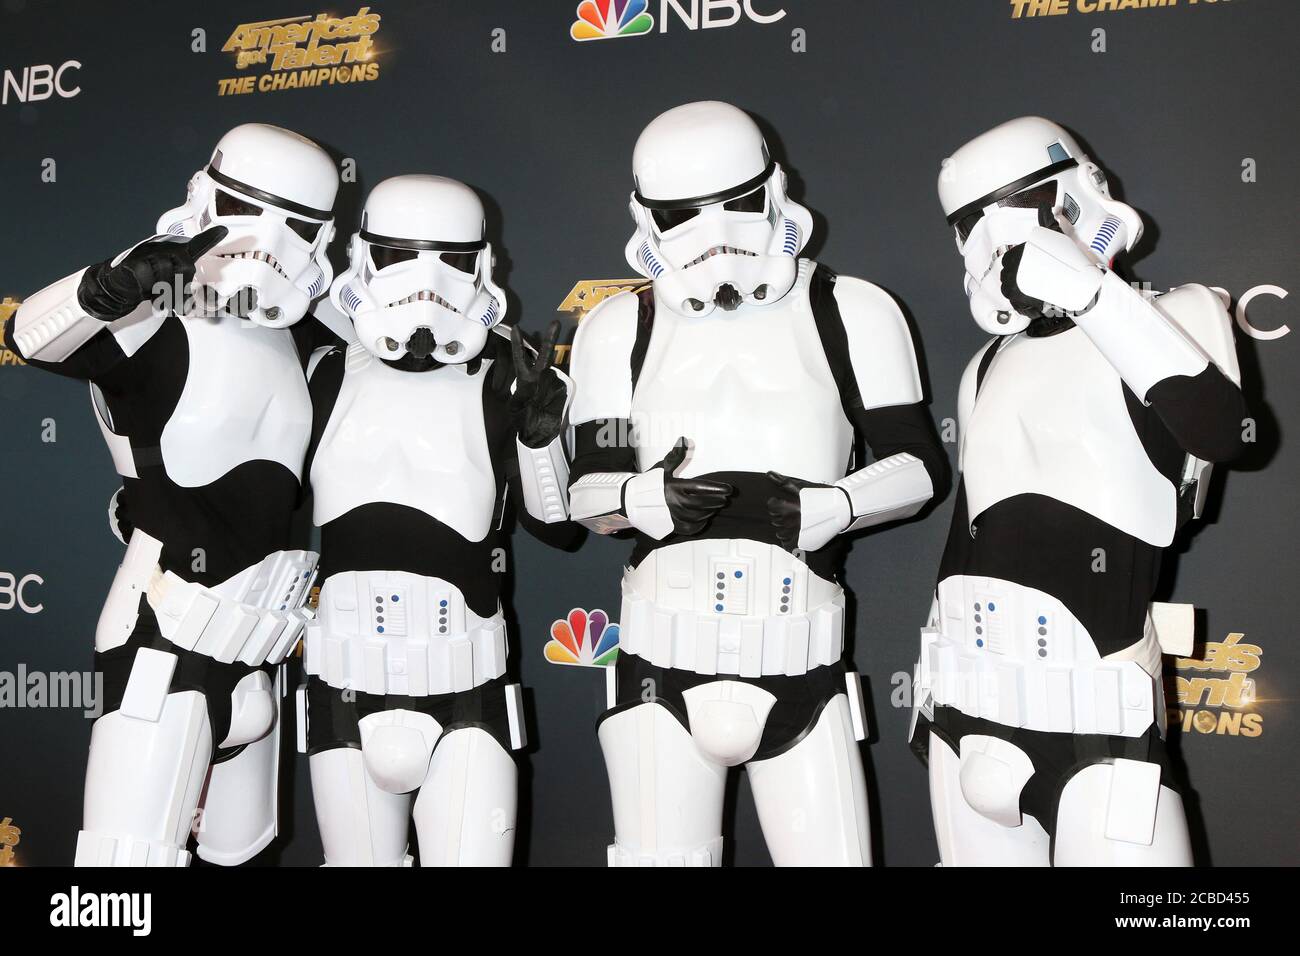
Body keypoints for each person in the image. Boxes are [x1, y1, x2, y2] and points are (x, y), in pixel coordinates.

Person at [567, 101, 947, 866]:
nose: (716, 238)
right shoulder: (618, 329)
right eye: (683, 215)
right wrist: (642, 499)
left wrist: (838, 505)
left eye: (737, 205)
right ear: (647, 218)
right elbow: (587, 490)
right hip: (656, 668)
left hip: (800, 661)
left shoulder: (851, 311)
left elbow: (918, 466)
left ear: (775, 189)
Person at [915, 116, 1248, 866]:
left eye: (1014, 210)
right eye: (968, 227)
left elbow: (1226, 432)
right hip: (965, 715)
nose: (994, 246)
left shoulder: (1180, 318)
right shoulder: (985, 366)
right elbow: (968, 533)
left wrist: (1094, 296)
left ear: (1075, 196)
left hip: (1097, 728)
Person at [4, 123, 340, 865]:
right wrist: (110, 288)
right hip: (168, 633)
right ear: (204, 196)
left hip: (264, 648)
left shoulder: (310, 336)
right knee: (126, 877)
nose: (270, 242)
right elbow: (33, 336)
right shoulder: (150, 310)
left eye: (300, 224)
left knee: (242, 858)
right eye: (249, 208)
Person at [301, 174, 574, 865]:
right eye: (399, 256)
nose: (426, 283)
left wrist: (540, 436)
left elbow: (556, 523)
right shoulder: (322, 372)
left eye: (450, 260)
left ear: (483, 264)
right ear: (364, 255)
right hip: (342, 686)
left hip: (467, 693)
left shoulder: (512, 378)